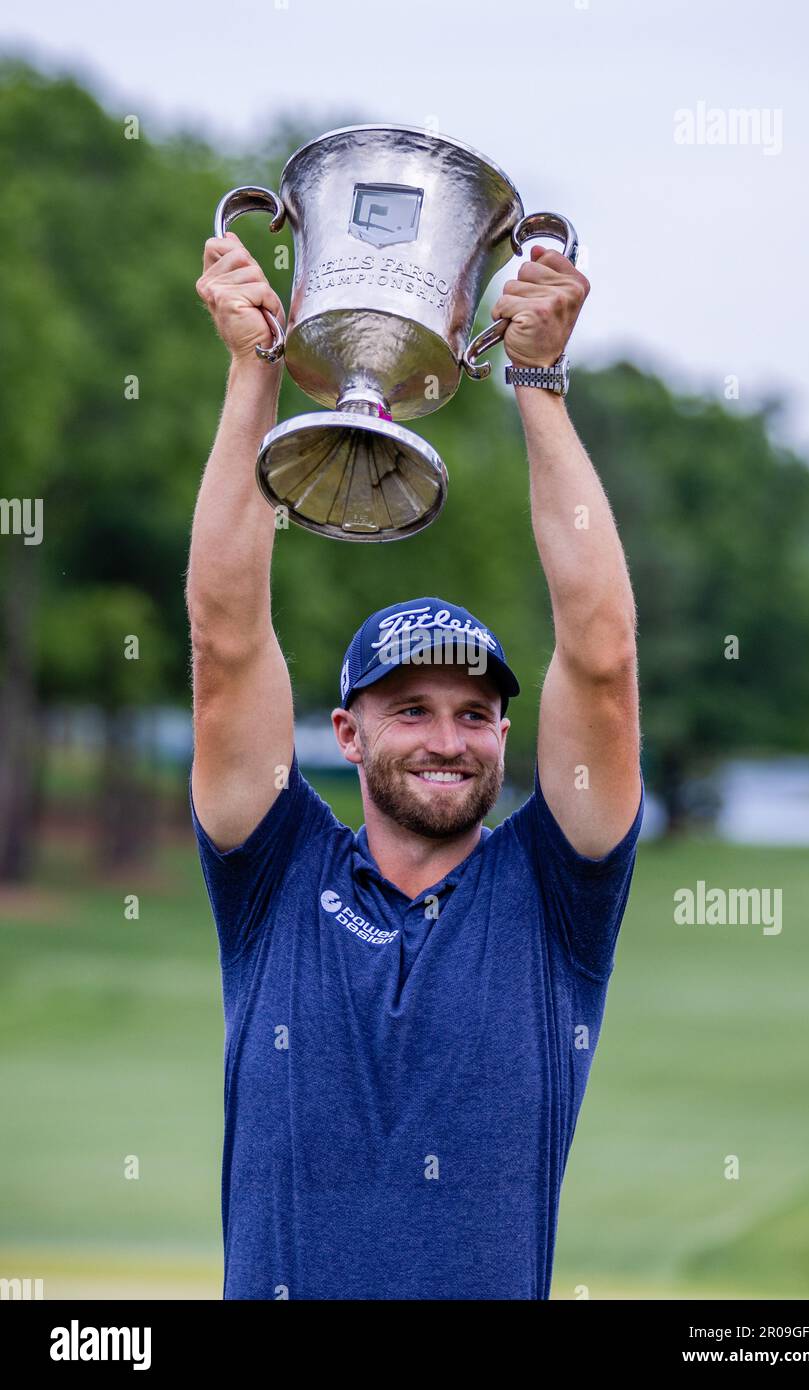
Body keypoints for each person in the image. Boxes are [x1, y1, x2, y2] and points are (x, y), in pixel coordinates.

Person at [189, 227, 643, 1300]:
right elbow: (225, 639)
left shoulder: (555, 894)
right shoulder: (274, 876)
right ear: (347, 734)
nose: (449, 738)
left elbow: (603, 655)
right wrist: (255, 370)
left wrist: (537, 379)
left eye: (478, 713)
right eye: (412, 710)